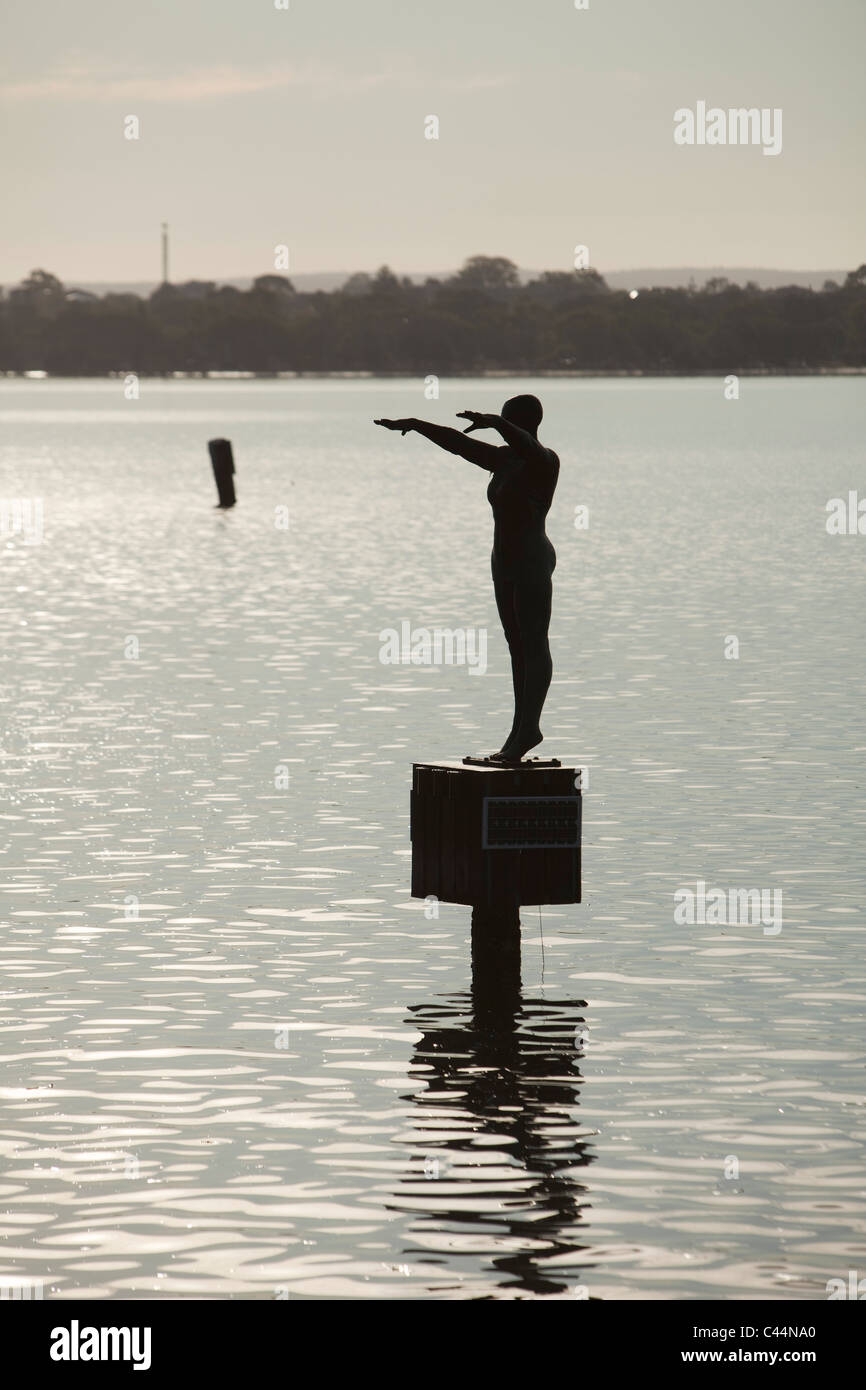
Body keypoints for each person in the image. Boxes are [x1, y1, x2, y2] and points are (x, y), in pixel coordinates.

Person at [375, 395, 558, 760]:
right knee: (515, 645)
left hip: (531, 561)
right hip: (503, 563)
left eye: (510, 424)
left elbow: (525, 443)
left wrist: (497, 421)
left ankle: (527, 730)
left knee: (533, 643)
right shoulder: (504, 460)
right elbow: (459, 445)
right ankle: (520, 732)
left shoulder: (544, 461)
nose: (503, 433)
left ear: (525, 425)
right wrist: (416, 423)